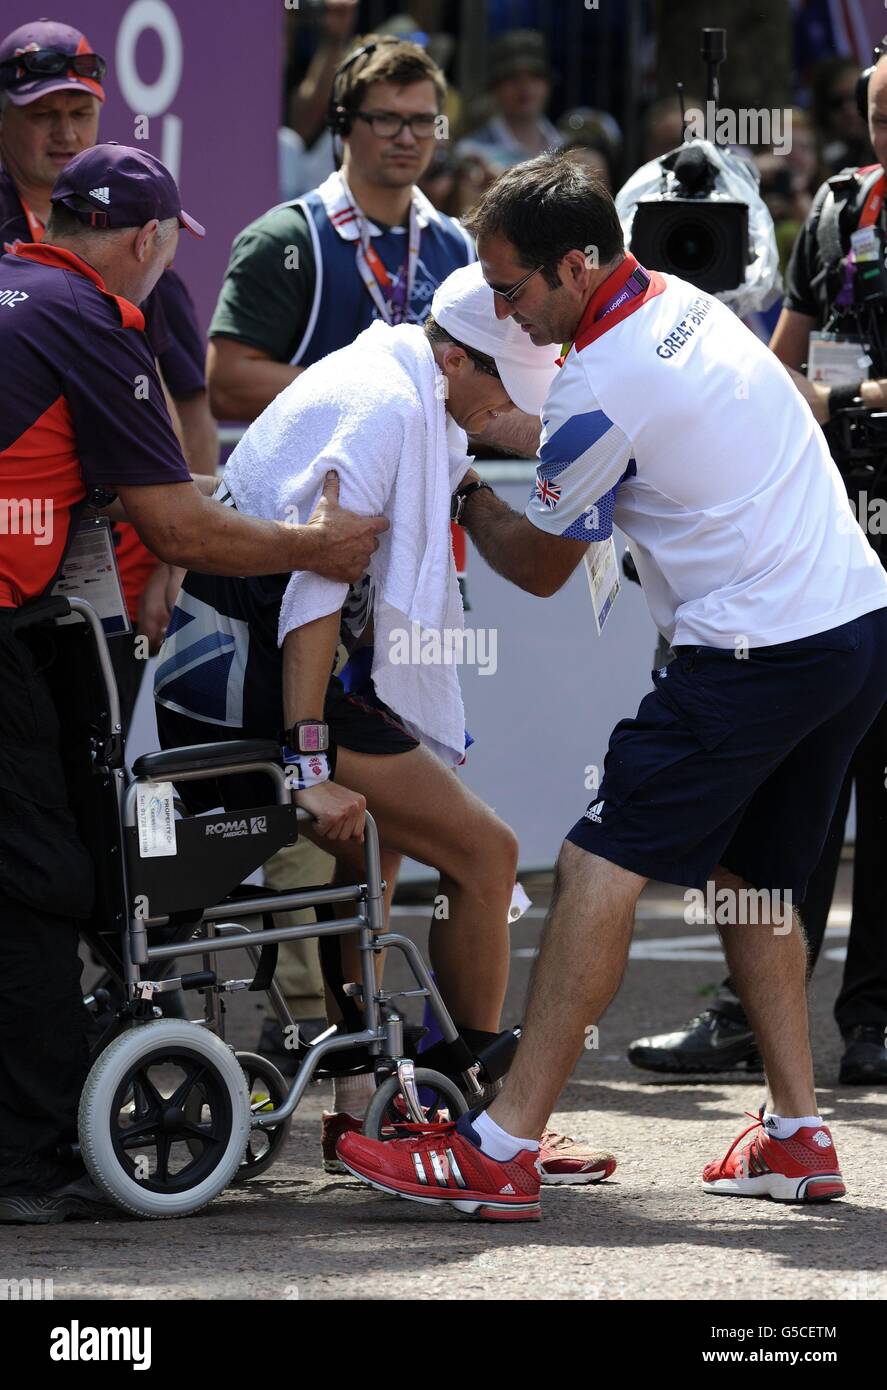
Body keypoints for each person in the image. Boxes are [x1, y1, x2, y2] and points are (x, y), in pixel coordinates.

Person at [335, 151, 887, 1221]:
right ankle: (795, 1133)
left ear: (577, 264)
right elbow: (640, 433)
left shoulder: (596, 382)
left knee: (596, 858)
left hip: (748, 653)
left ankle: (500, 1145)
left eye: (511, 290)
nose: (500, 311)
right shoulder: (679, 301)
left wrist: (462, 483)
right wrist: (520, 433)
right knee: (750, 876)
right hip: (851, 629)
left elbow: (541, 566)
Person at [154, 261, 618, 1188]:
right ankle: (479, 1111)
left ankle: (367, 1103)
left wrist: (566, 482)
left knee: (368, 867)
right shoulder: (387, 407)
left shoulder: (404, 379)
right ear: (454, 357)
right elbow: (317, 592)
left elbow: (521, 563)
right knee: (485, 855)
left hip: (232, 660)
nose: (499, 418)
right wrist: (306, 761)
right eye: (497, 392)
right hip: (266, 670)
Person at [0, 143, 386, 1225]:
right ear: (144, 238)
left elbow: (140, 506)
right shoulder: (93, 319)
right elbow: (174, 514)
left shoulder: (17, 284)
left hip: (30, 620)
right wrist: (315, 547)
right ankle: (28, 1163)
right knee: (37, 883)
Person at [207, 34, 539, 1054]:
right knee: (405, 848)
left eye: (422, 120)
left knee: (383, 860)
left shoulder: (453, 250)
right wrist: (344, 395)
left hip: (392, 594)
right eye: (385, 119)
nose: (406, 138)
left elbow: (475, 416)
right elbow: (227, 382)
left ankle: (366, 1078)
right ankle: (392, 1065)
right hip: (311, 611)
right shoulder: (289, 242)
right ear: (342, 128)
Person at [631, 45, 887, 1089]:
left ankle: (872, 1021)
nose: (884, 130)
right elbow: (780, 353)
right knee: (784, 783)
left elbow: (822, 386)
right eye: (875, 109)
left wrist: (853, 402)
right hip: (818, 539)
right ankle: (745, 1012)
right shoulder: (834, 208)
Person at [0, 16, 218, 728]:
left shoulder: (139, 238)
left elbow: (187, 408)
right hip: (16, 551)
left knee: (86, 771)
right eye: (43, 114)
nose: (64, 133)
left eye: (79, 112)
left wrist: (173, 561)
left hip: (109, 564)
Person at [457, 30, 561, 173]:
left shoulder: (566, 147)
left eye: (535, 76)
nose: (525, 87)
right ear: (495, 88)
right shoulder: (472, 152)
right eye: (512, 78)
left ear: (547, 85)